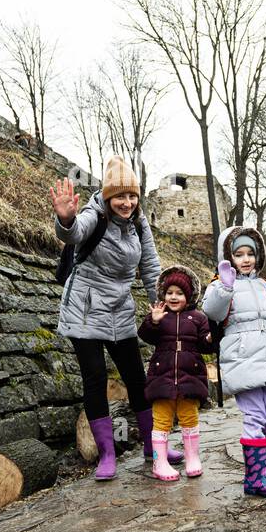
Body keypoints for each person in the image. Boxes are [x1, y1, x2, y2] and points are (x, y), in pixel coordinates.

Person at [50, 156, 182, 480]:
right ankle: (107, 455)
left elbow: (151, 265)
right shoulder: (95, 214)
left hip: (120, 308)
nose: (127, 202)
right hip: (85, 307)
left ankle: (154, 447)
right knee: (95, 379)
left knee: (138, 379)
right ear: (108, 197)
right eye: (120, 196)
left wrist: (161, 308)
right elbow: (74, 233)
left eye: (132, 196)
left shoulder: (139, 222)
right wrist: (65, 219)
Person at [202, 226, 266, 498]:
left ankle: (265, 467)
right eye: (238, 253)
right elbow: (213, 311)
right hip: (243, 361)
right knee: (255, 417)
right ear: (228, 256)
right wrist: (225, 286)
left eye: (250, 253)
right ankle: (254, 478)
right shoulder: (220, 286)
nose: (245, 259)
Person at [138, 265, 213, 480]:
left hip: (190, 377)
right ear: (163, 294)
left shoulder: (198, 318)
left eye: (179, 293)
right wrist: (153, 321)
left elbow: (207, 345)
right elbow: (145, 335)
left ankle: (192, 457)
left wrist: (211, 338)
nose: (174, 297)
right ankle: (159, 462)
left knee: (189, 417)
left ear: (188, 296)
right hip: (162, 377)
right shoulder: (160, 316)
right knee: (161, 420)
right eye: (170, 292)